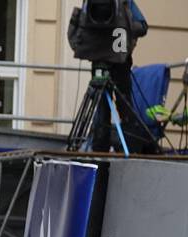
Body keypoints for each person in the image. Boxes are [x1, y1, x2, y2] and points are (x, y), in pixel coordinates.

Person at [67, 0, 158, 154]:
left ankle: (130, 147)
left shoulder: (124, 2)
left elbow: (143, 27)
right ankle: (99, 149)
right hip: (99, 60)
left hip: (119, 64)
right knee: (101, 107)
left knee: (123, 106)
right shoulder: (90, 3)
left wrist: (125, 25)